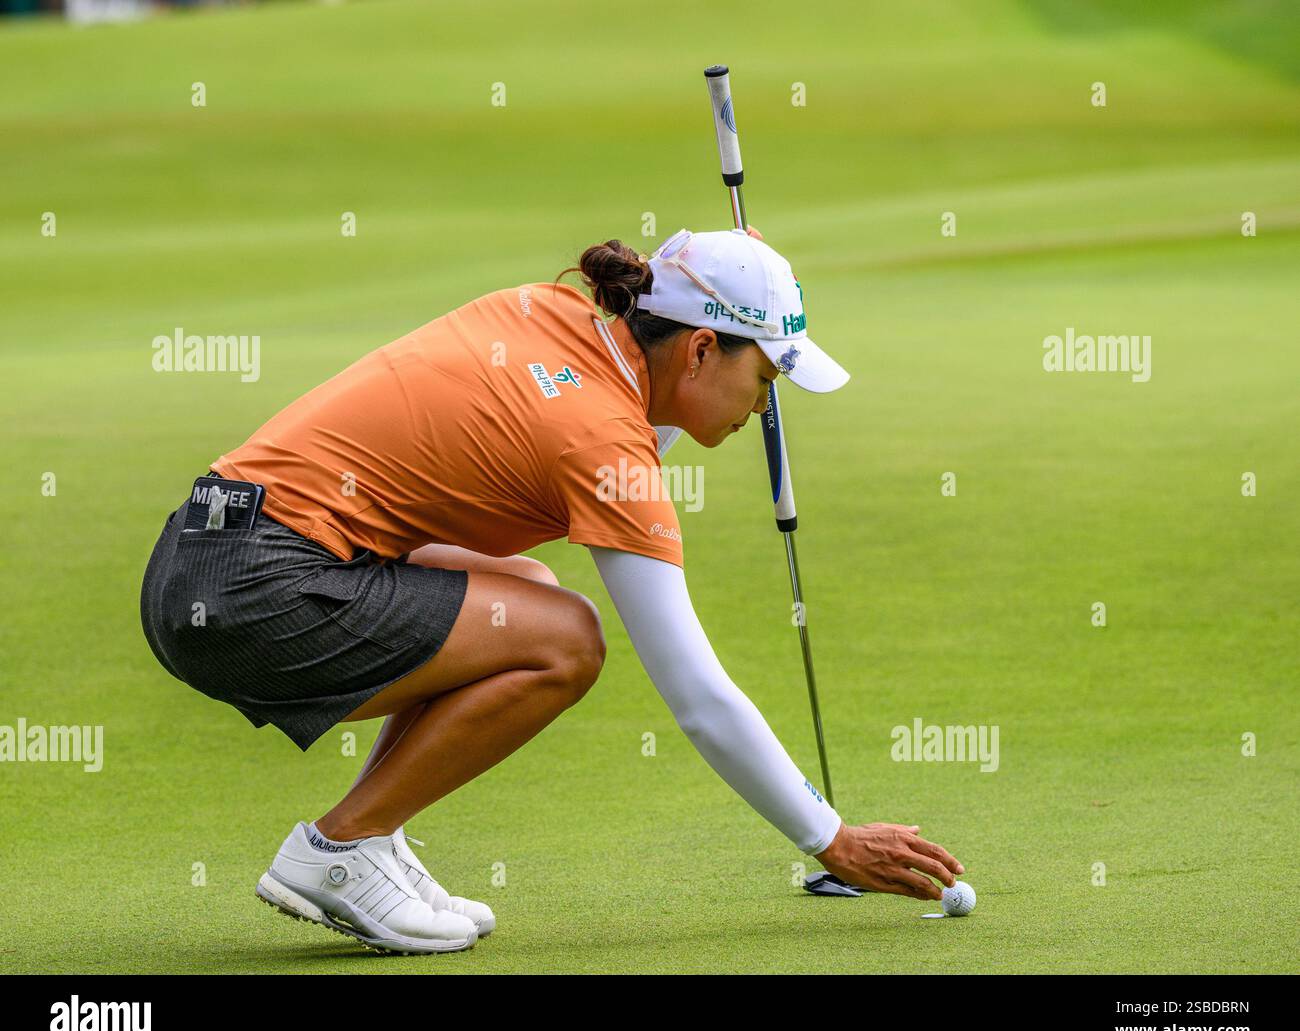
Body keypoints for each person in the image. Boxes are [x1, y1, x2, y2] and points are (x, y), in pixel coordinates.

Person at [139, 226, 963, 956]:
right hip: (253, 592)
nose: (766, 402)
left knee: (523, 589)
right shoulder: (601, 441)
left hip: (202, 551)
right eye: (767, 377)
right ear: (703, 351)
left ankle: (368, 838)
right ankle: (340, 846)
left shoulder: (550, 316)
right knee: (566, 638)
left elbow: (626, 410)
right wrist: (831, 840)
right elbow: (699, 697)